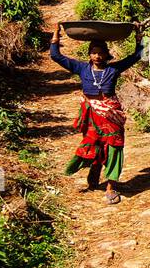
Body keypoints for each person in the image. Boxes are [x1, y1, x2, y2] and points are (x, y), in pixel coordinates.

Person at [50, 22, 143, 204]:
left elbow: (138, 55)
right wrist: (56, 33)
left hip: (111, 114)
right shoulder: (82, 68)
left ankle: (111, 186)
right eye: (94, 52)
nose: (97, 56)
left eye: (101, 52)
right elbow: (55, 55)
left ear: (106, 54)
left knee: (115, 146)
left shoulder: (113, 69)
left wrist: (140, 34)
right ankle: (94, 170)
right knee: (94, 144)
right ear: (89, 55)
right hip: (92, 114)